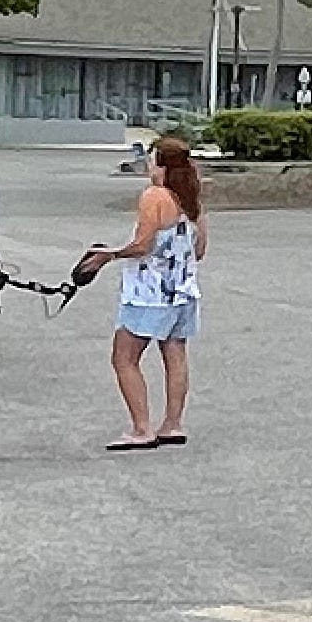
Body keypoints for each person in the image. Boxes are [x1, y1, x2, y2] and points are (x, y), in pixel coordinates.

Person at [92, 134, 206, 452]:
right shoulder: (192, 200)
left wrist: (109, 255)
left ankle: (142, 427)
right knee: (175, 355)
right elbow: (199, 249)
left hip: (149, 293)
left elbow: (143, 245)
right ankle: (173, 423)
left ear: (161, 165)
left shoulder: (154, 196)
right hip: (183, 291)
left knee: (124, 357)